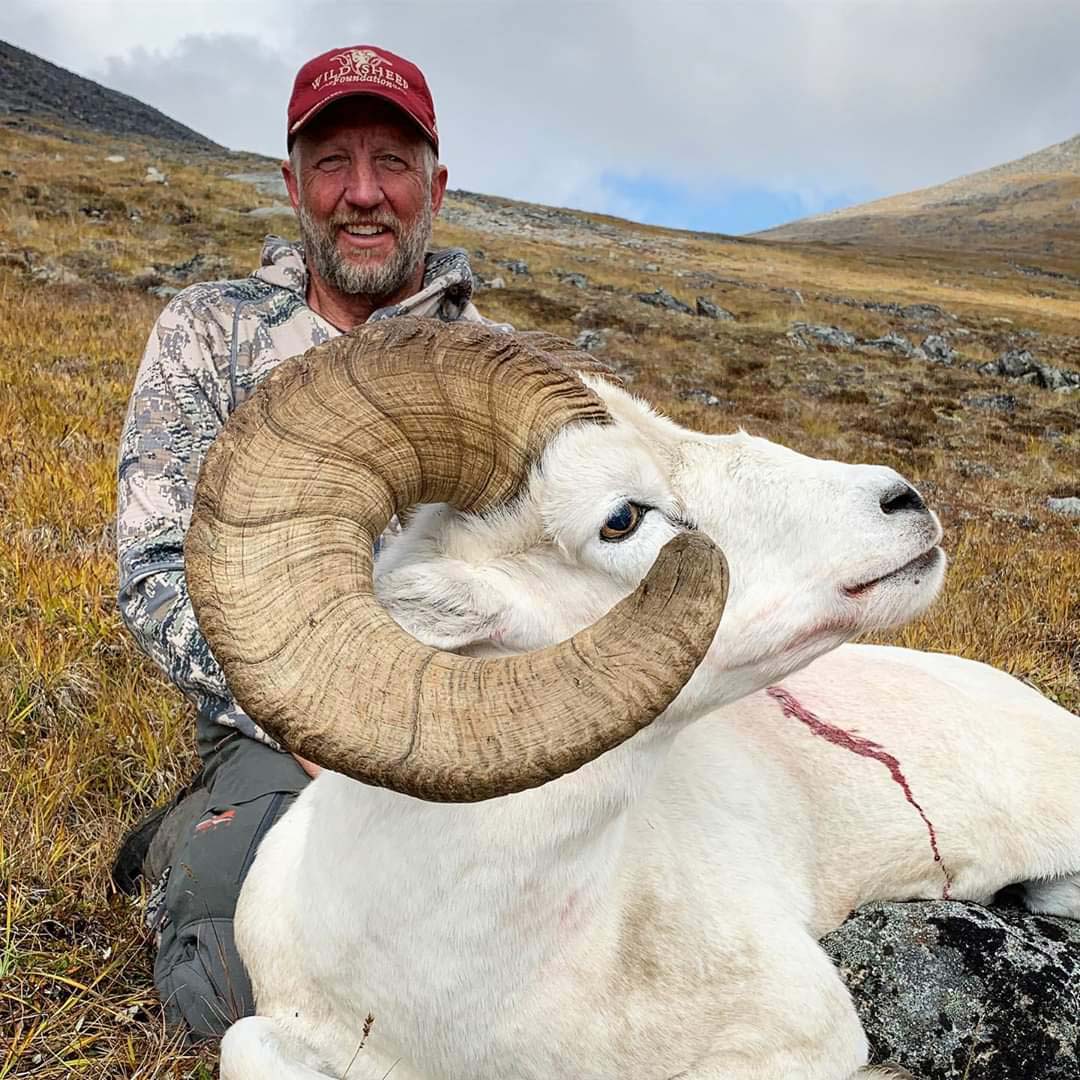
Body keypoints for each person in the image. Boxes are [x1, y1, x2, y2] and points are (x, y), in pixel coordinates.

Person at [112, 43, 510, 1041]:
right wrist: (306, 713)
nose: (362, 193)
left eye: (392, 163)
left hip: (476, 721)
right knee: (238, 986)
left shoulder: (499, 368)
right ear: (293, 185)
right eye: (332, 162)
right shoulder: (209, 333)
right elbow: (155, 571)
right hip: (277, 730)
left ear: (435, 187)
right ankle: (200, 833)